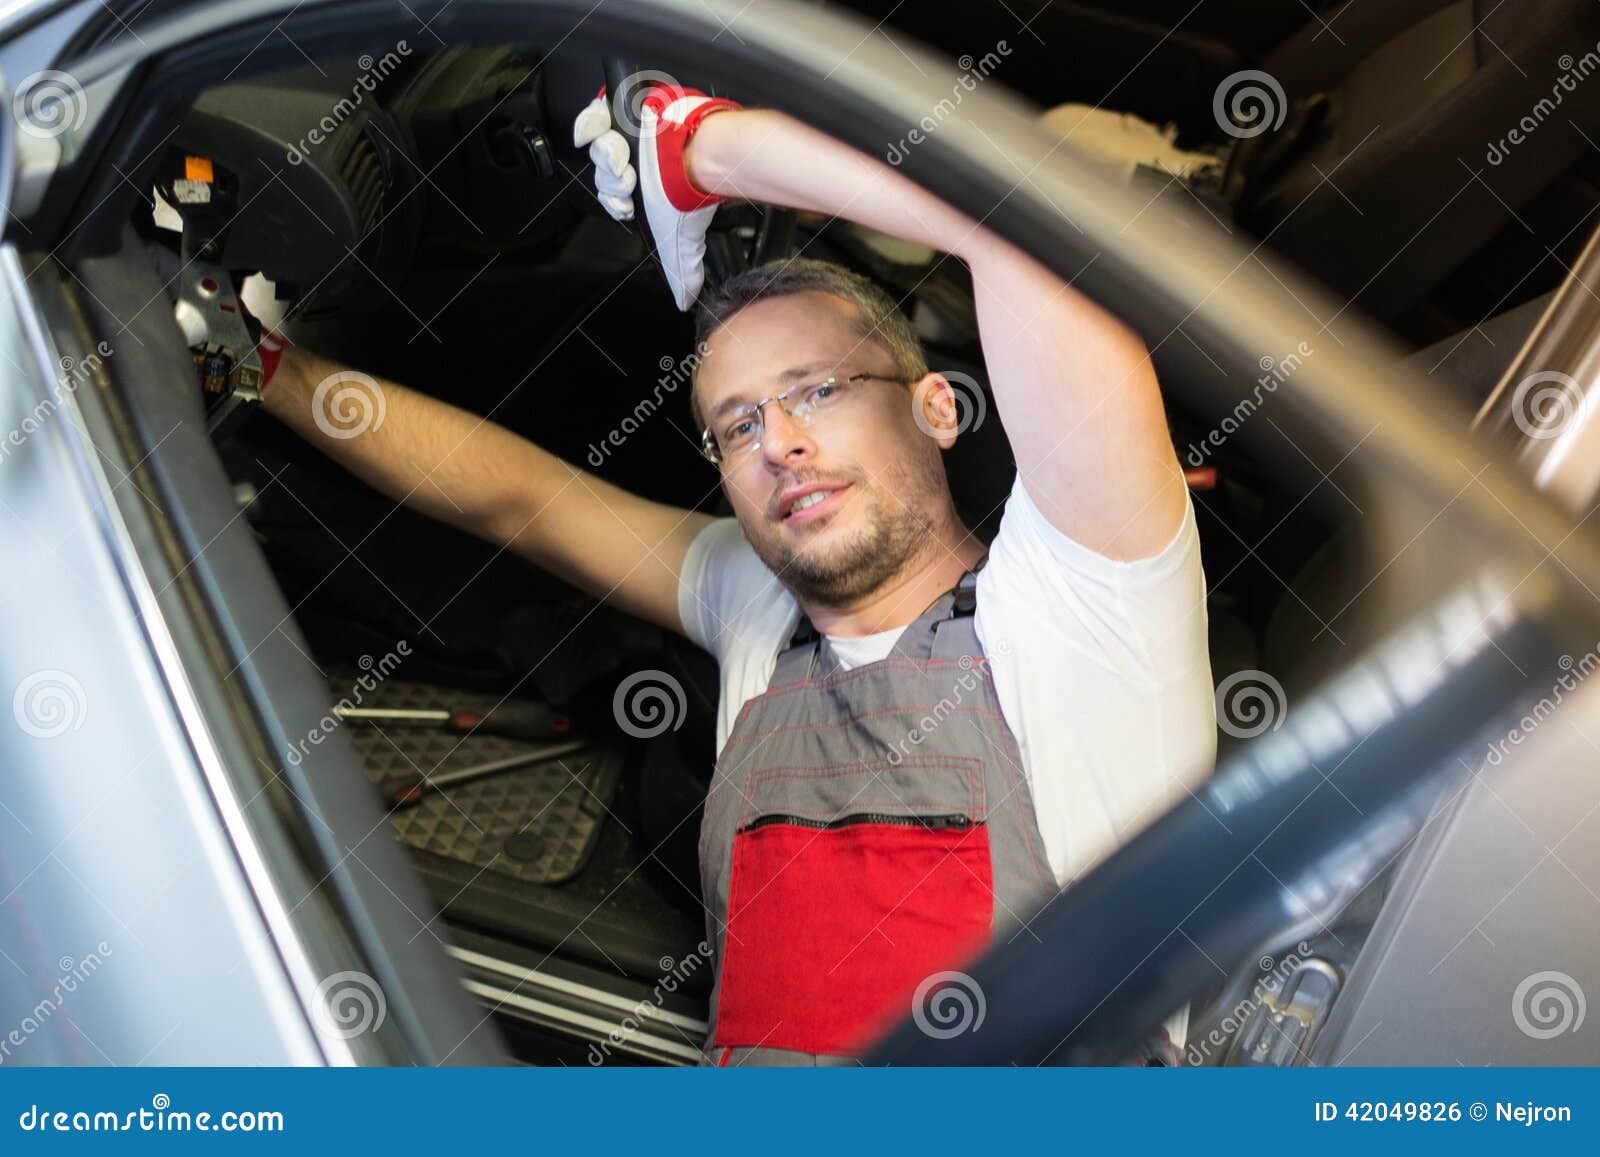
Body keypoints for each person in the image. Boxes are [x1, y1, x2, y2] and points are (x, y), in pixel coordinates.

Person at [259, 82, 1216, 1065]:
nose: (779, 444)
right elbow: (521, 499)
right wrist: (258, 366)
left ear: (937, 407)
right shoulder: (755, 604)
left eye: (819, 390)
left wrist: (707, 151)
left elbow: (1020, 220)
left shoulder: (1084, 594)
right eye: (739, 423)